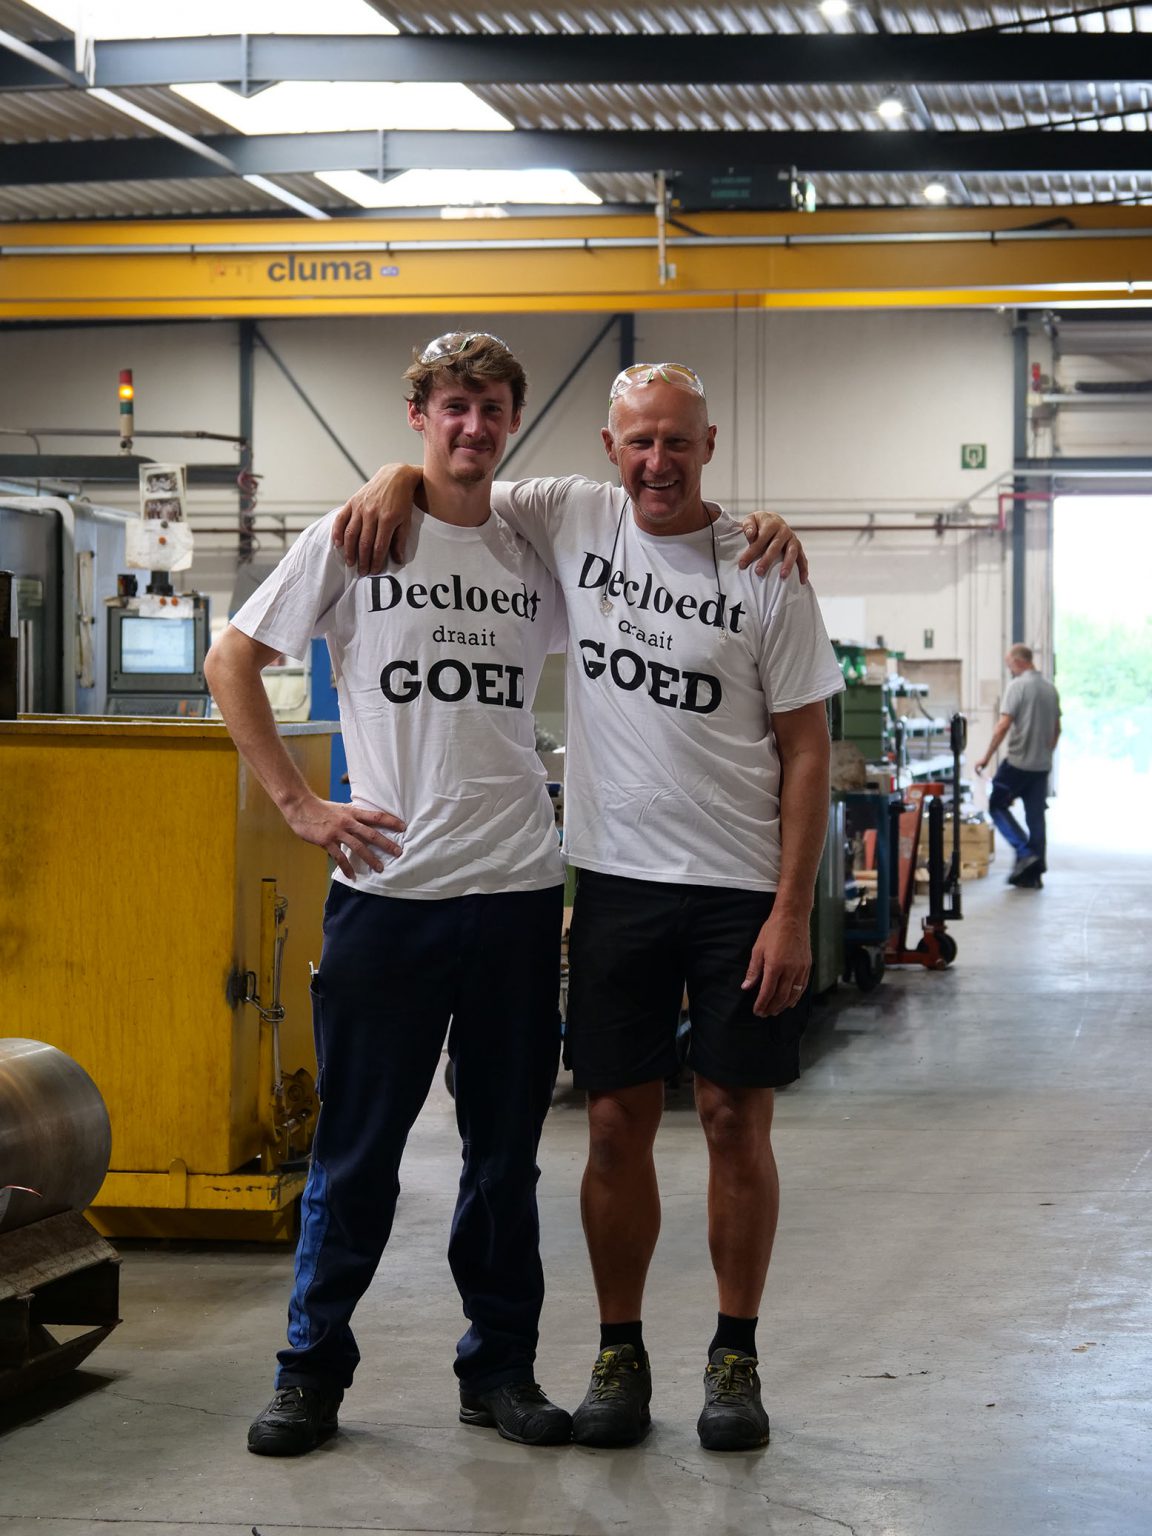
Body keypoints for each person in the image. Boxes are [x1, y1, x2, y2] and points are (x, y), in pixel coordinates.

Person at [206, 336, 797, 1459]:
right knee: (356, 1152)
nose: (472, 426)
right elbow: (231, 660)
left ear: (514, 421)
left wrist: (758, 528)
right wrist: (298, 805)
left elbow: (667, 558)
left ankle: (501, 1371)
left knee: (501, 1161)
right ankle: (309, 1370)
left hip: (519, 892)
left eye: (490, 408)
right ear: (420, 416)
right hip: (390, 893)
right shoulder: (358, 534)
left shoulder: (539, 543)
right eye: (452, 407)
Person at [975, 643, 1061, 889]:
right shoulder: (1050, 688)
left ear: (1019, 661)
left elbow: (1003, 725)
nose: (1009, 670)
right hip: (1041, 766)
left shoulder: (1018, 686)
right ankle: (1033, 873)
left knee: (996, 805)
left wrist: (986, 757)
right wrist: (1045, 754)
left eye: (1009, 665)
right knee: (1036, 818)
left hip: (1017, 763)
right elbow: (1057, 730)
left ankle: (1025, 853)